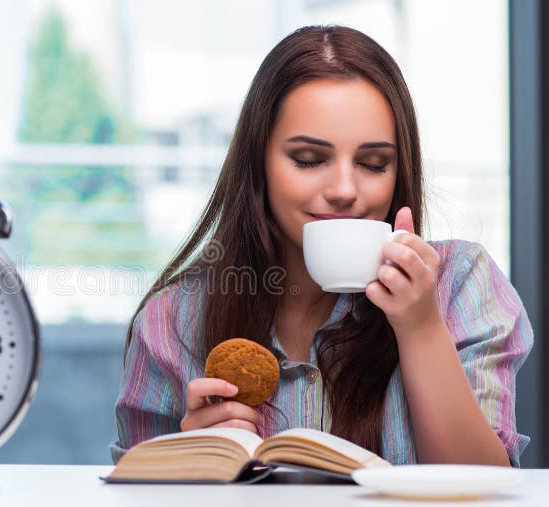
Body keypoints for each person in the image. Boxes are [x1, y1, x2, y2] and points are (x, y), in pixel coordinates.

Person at [111, 25, 533, 467]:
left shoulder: (461, 284)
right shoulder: (171, 321)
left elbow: (485, 491)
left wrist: (421, 328)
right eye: (309, 160)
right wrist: (194, 464)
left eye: (373, 163)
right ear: (259, 165)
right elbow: (134, 505)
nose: (344, 189)